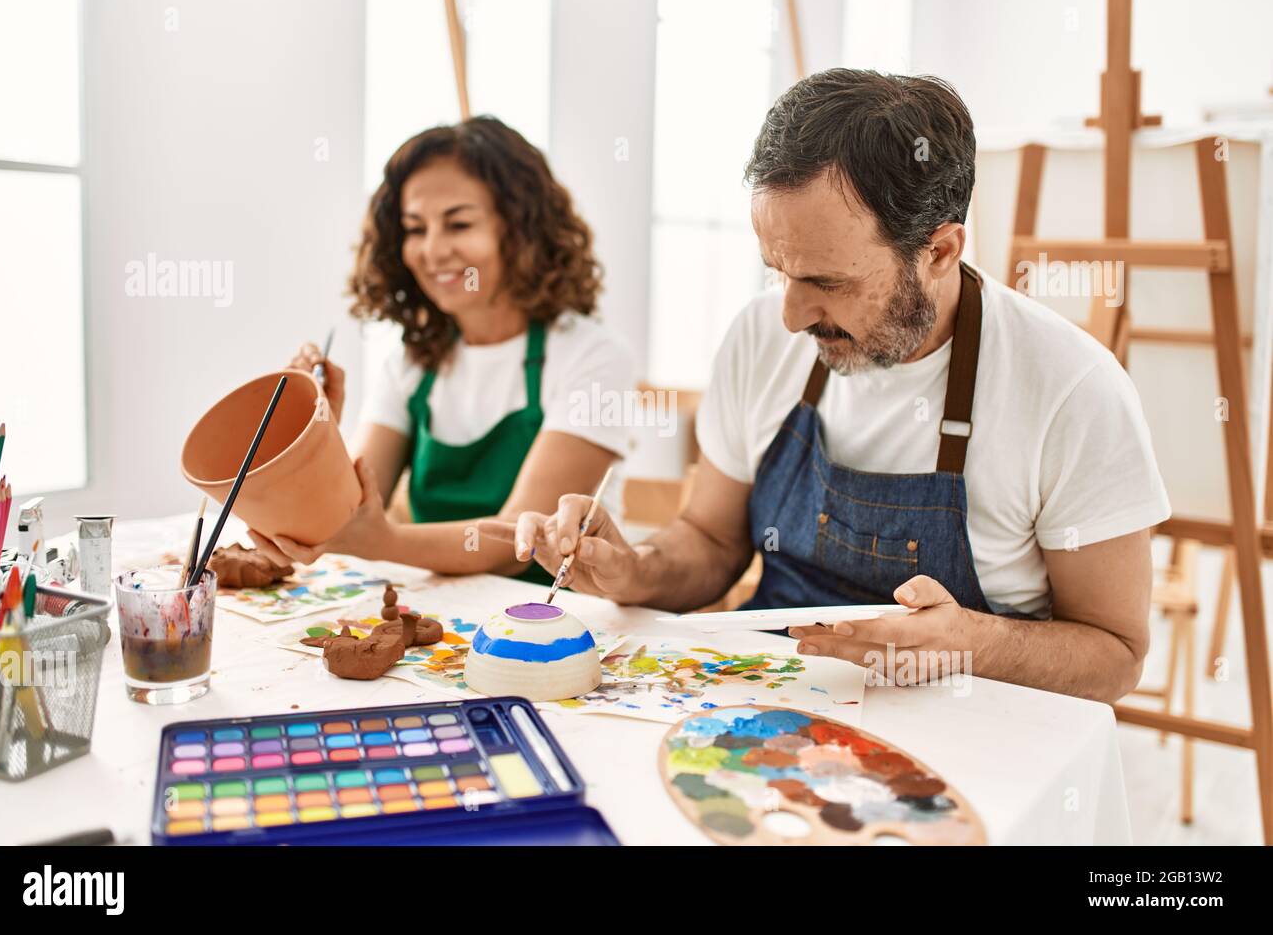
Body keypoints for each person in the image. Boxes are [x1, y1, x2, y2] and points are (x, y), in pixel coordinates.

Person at [483, 70, 1170, 701]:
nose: (789, 314)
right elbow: (712, 542)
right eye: (778, 273)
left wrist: (974, 642)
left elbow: (1115, 656)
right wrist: (639, 570)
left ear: (939, 252)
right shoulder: (761, 336)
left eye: (825, 283)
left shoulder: (1071, 390)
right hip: (769, 702)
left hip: (970, 721)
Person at [253, 116, 633, 583]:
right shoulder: (412, 363)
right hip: (446, 622)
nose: (432, 251)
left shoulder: (592, 356)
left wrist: (383, 542)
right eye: (415, 229)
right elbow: (348, 512)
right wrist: (316, 428)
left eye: (458, 224)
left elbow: (518, 539)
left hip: (556, 624)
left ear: (521, 230)